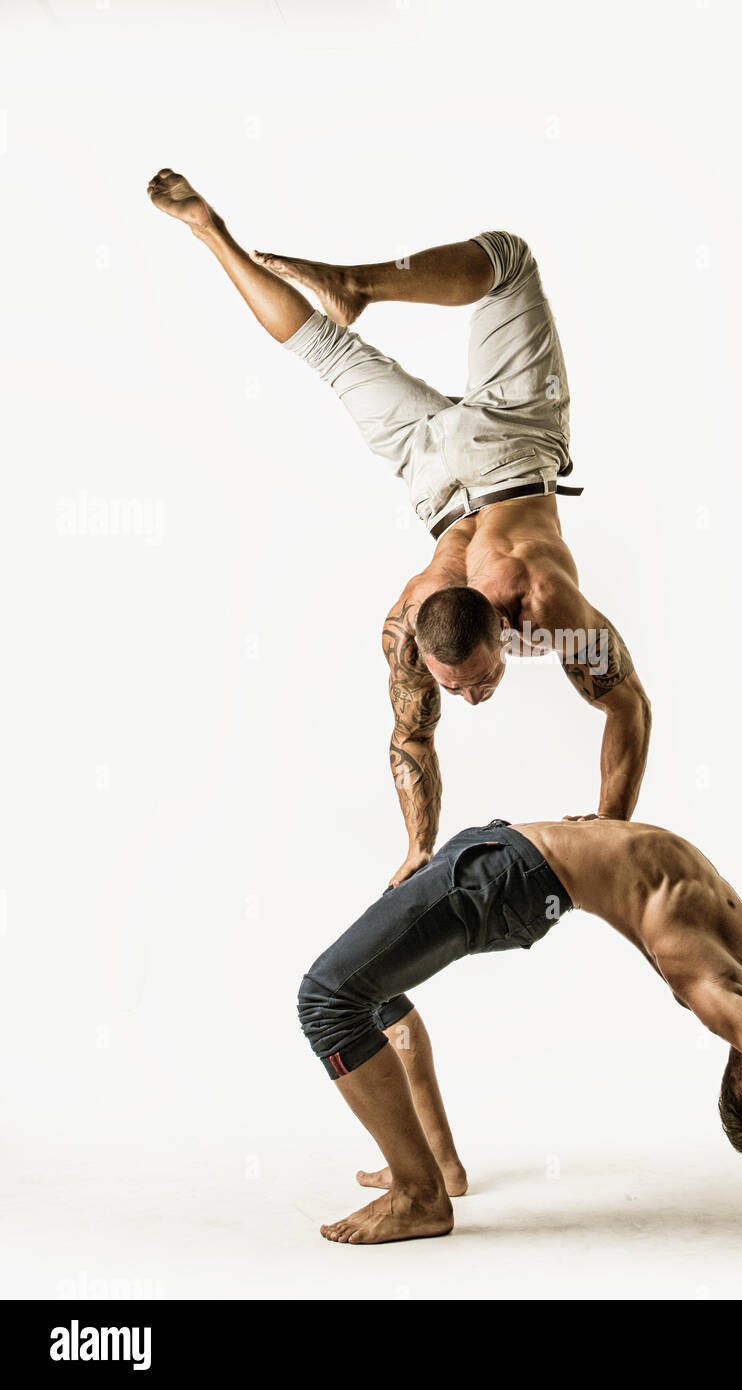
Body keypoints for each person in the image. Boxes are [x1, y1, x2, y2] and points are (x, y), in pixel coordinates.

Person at [147, 171, 651, 885]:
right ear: (423, 644)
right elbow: (418, 732)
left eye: (474, 683)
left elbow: (626, 703)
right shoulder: (420, 628)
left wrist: (612, 827)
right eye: (463, 685)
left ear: (501, 625)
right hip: (467, 464)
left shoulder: (538, 605)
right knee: (394, 316)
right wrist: (419, 848)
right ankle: (233, 239)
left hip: (474, 461)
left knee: (478, 277)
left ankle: (285, 258)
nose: (473, 697)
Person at [296, 817, 742, 1258]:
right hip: (503, 863)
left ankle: (419, 1196)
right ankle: (438, 1165)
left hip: (504, 877)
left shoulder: (717, 989)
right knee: (373, 990)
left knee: (327, 999)